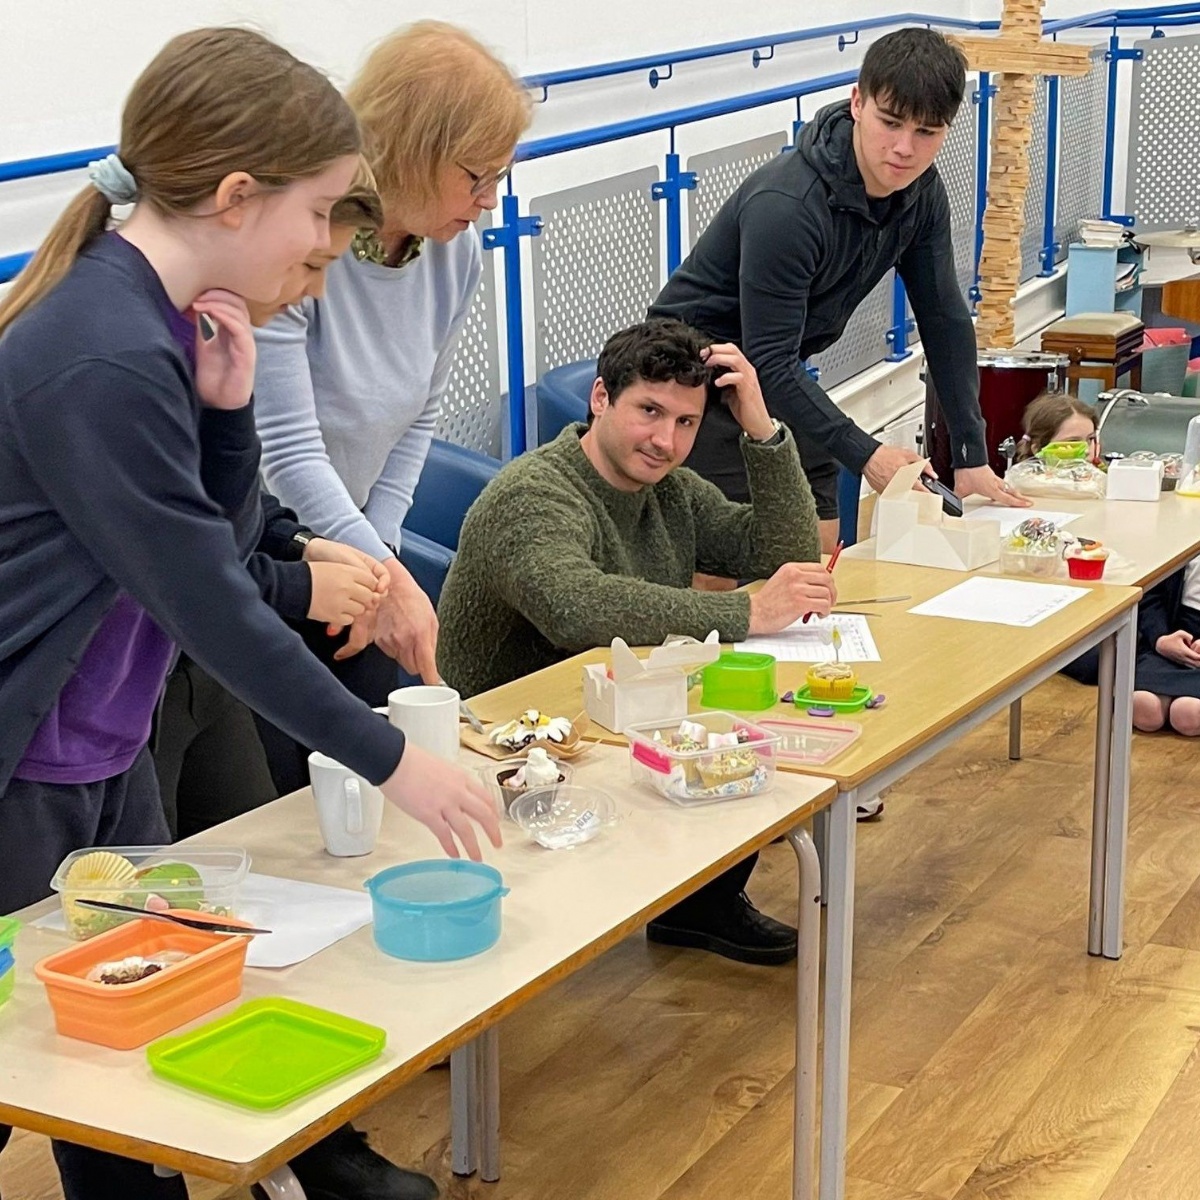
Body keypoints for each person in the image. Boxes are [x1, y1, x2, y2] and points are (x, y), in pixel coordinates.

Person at [0, 28, 498, 1200]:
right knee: (49, 1052)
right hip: (30, 756)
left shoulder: (166, 323)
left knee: (117, 1048)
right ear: (236, 198)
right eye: (321, 212)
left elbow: (213, 539)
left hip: (101, 744)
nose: (330, 244)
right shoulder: (106, 346)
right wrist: (390, 761)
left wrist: (227, 412)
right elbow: (214, 601)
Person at [438, 318, 836, 966]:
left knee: (740, 731)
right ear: (601, 398)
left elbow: (785, 555)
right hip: (500, 743)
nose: (665, 440)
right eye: (649, 411)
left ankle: (699, 905)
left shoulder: (672, 492)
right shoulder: (534, 493)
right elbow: (575, 604)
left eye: (686, 422)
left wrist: (761, 427)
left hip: (604, 719)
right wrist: (745, 610)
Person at [649, 26, 1028, 553]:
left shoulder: (921, 193)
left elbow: (943, 319)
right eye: (890, 123)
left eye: (927, 132)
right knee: (735, 566)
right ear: (857, 102)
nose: (903, 149)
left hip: (774, 372)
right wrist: (868, 452)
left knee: (824, 552)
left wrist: (970, 453)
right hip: (695, 371)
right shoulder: (788, 205)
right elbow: (769, 358)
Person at [252, 21, 532, 718]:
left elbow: (420, 419)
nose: (489, 199)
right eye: (477, 176)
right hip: (271, 551)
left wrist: (378, 557)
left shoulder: (454, 252)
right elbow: (286, 452)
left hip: (359, 558)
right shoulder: (303, 247)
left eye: (500, 176)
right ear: (412, 151)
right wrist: (382, 576)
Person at [155, 163, 393, 833]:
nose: (314, 291)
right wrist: (296, 587)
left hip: (194, 672)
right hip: (132, 691)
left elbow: (233, 513)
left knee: (262, 856)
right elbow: (181, 567)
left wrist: (301, 543)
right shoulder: (125, 355)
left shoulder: (199, 337)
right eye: (310, 262)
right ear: (239, 209)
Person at [1014, 391, 1102, 465]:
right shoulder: (1023, 484)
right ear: (1037, 449)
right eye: (1073, 442)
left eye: (1090, 439)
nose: (1087, 451)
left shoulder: (1102, 481)